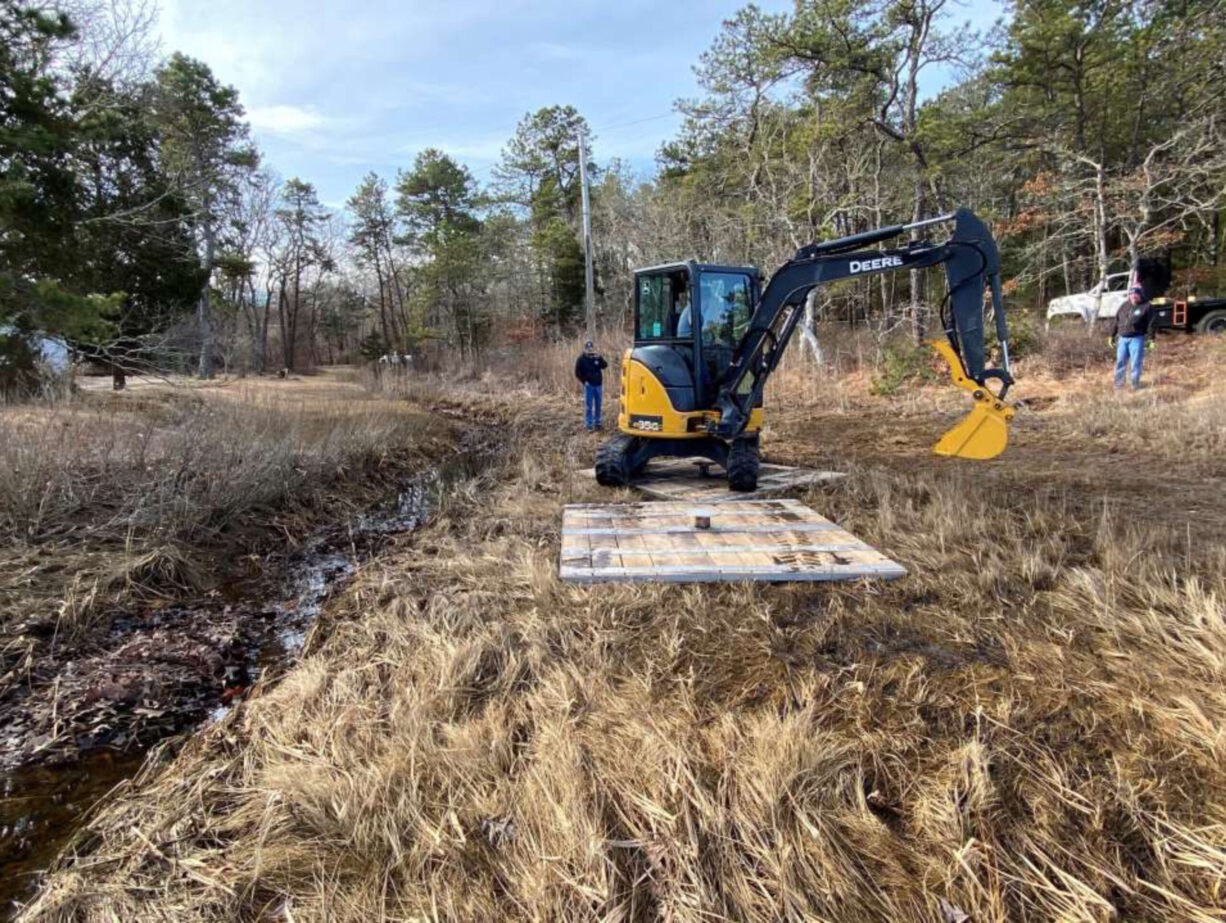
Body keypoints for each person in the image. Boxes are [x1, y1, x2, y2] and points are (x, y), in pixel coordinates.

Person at [1110, 285, 1154, 390]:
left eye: (1136, 294)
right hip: (1122, 339)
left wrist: (1151, 339)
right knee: (1120, 362)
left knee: (1135, 363)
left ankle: (1135, 385)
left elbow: (1151, 324)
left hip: (1137, 339)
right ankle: (1118, 386)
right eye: (1131, 294)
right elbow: (1116, 321)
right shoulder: (1124, 306)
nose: (1133, 296)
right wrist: (1111, 335)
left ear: (1140, 295)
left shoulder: (1147, 306)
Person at [574, 340, 608, 431]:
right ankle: (589, 424)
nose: (589, 350)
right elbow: (577, 372)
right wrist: (584, 381)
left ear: (592, 348)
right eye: (587, 348)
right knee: (589, 406)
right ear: (585, 349)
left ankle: (598, 423)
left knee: (598, 405)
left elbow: (605, 366)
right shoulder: (581, 359)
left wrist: (600, 358)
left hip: (598, 385)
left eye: (591, 348)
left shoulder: (596, 357)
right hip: (589, 385)